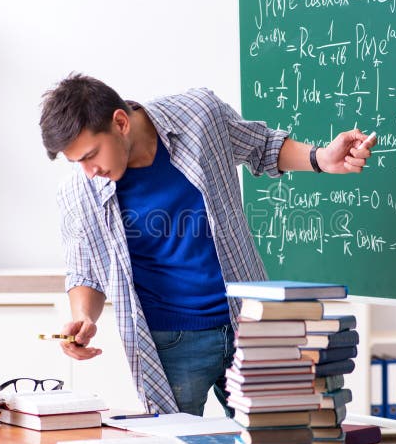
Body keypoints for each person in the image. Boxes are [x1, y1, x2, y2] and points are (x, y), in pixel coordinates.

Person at [39, 74, 376, 415]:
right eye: (77, 162)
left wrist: (322, 158)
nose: (89, 171)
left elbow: (263, 147)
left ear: (121, 122)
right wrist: (83, 318)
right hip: (170, 342)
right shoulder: (79, 193)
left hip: (248, 321)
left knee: (276, 443)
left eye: (91, 155)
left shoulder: (199, 116)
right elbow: (85, 272)